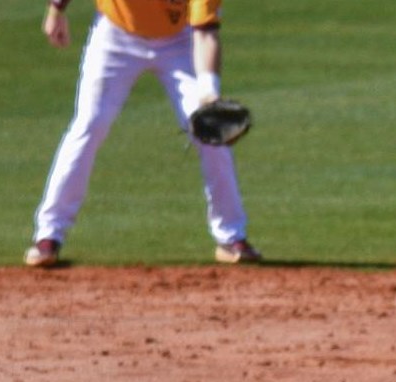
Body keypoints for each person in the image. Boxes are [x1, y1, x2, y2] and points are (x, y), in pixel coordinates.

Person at [25, 0, 259, 268]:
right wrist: (57, 8)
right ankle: (48, 235)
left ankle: (231, 237)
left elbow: (205, 33)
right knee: (90, 124)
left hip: (179, 42)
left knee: (212, 133)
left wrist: (208, 92)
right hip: (115, 34)